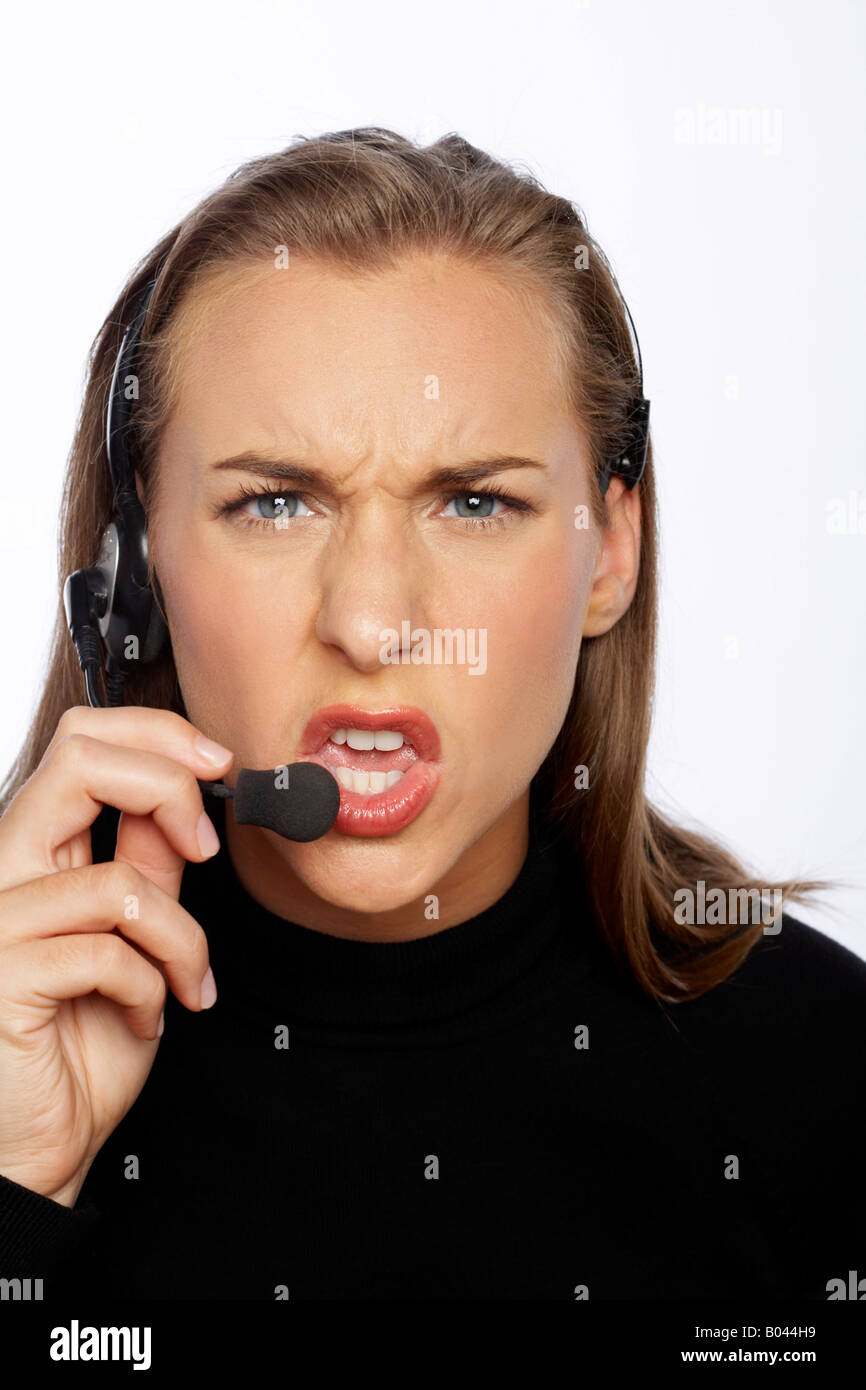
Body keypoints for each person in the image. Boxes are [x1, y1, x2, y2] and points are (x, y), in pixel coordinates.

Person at [0, 127, 863, 1301]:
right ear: (136, 566)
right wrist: (13, 1190)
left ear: (608, 550)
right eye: (273, 503)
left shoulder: (823, 1073)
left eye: (470, 501)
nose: (369, 622)